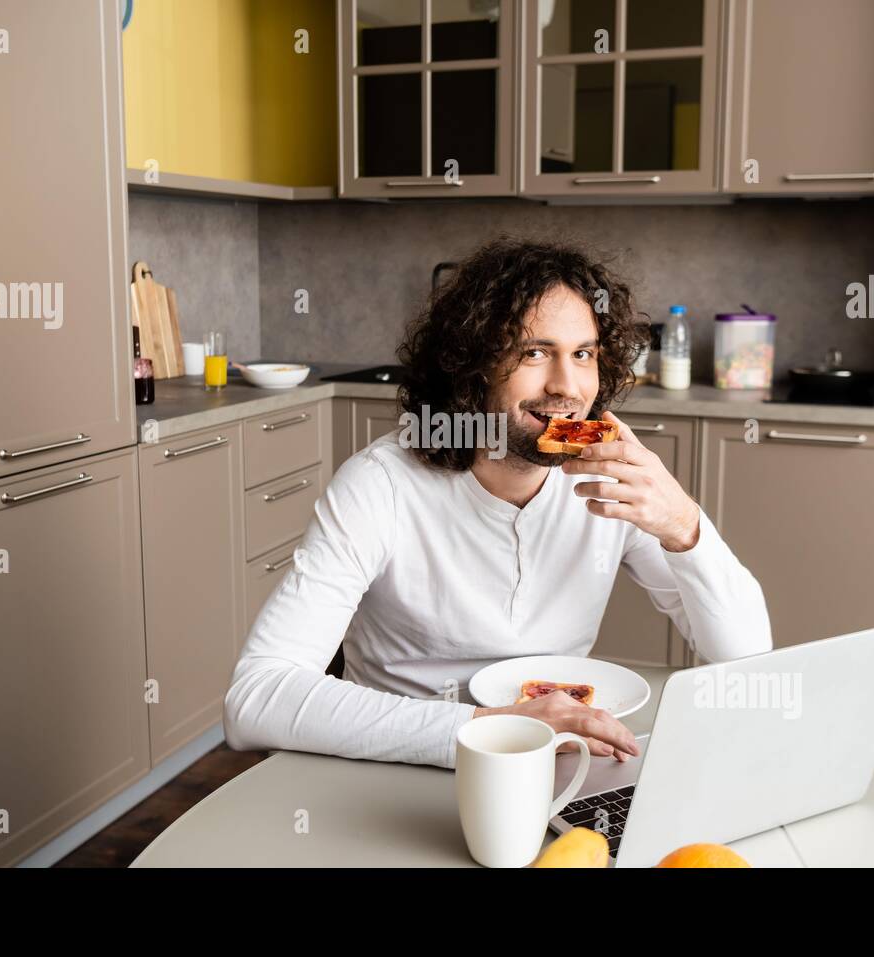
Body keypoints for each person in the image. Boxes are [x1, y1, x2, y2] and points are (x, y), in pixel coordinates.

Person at [223, 237, 772, 768]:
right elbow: (255, 699)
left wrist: (684, 526)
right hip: (393, 764)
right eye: (535, 352)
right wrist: (496, 730)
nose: (567, 386)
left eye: (582, 354)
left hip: (556, 763)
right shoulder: (380, 486)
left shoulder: (613, 479)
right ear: (471, 366)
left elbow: (746, 660)